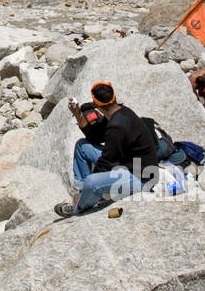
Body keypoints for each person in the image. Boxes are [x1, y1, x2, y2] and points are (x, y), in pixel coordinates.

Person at [55, 81, 159, 217]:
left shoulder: (117, 126)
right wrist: (78, 115)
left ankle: (79, 208)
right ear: (114, 97)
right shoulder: (120, 112)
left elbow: (107, 162)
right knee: (83, 146)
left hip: (141, 178)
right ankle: (83, 192)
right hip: (127, 164)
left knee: (92, 182)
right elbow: (95, 137)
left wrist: (93, 180)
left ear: (96, 104)